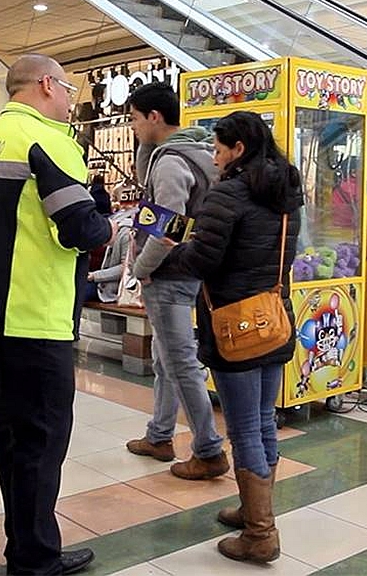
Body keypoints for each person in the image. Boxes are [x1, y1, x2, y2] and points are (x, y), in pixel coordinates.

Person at [0, 54, 116, 575]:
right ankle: (35, 560)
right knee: (41, 443)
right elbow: (81, 228)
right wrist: (110, 227)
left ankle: (25, 546)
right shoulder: (50, 140)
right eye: (69, 89)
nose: (71, 99)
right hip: (36, 314)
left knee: (11, 440)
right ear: (48, 84)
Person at [162, 111, 302, 563]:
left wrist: (175, 247)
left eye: (218, 149)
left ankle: (261, 534)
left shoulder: (228, 195)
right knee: (262, 421)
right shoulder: (286, 194)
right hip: (273, 318)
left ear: (238, 149)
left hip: (234, 327)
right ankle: (252, 508)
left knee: (244, 429)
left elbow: (203, 261)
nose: (215, 157)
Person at [124, 83, 228, 481]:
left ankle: (208, 448)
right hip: (190, 269)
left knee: (180, 360)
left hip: (167, 272)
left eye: (134, 119)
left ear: (154, 117)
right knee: (167, 358)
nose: (132, 128)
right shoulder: (197, 152)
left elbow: (168, 226)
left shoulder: (170, 163)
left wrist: (141, 267)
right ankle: (159, 434)